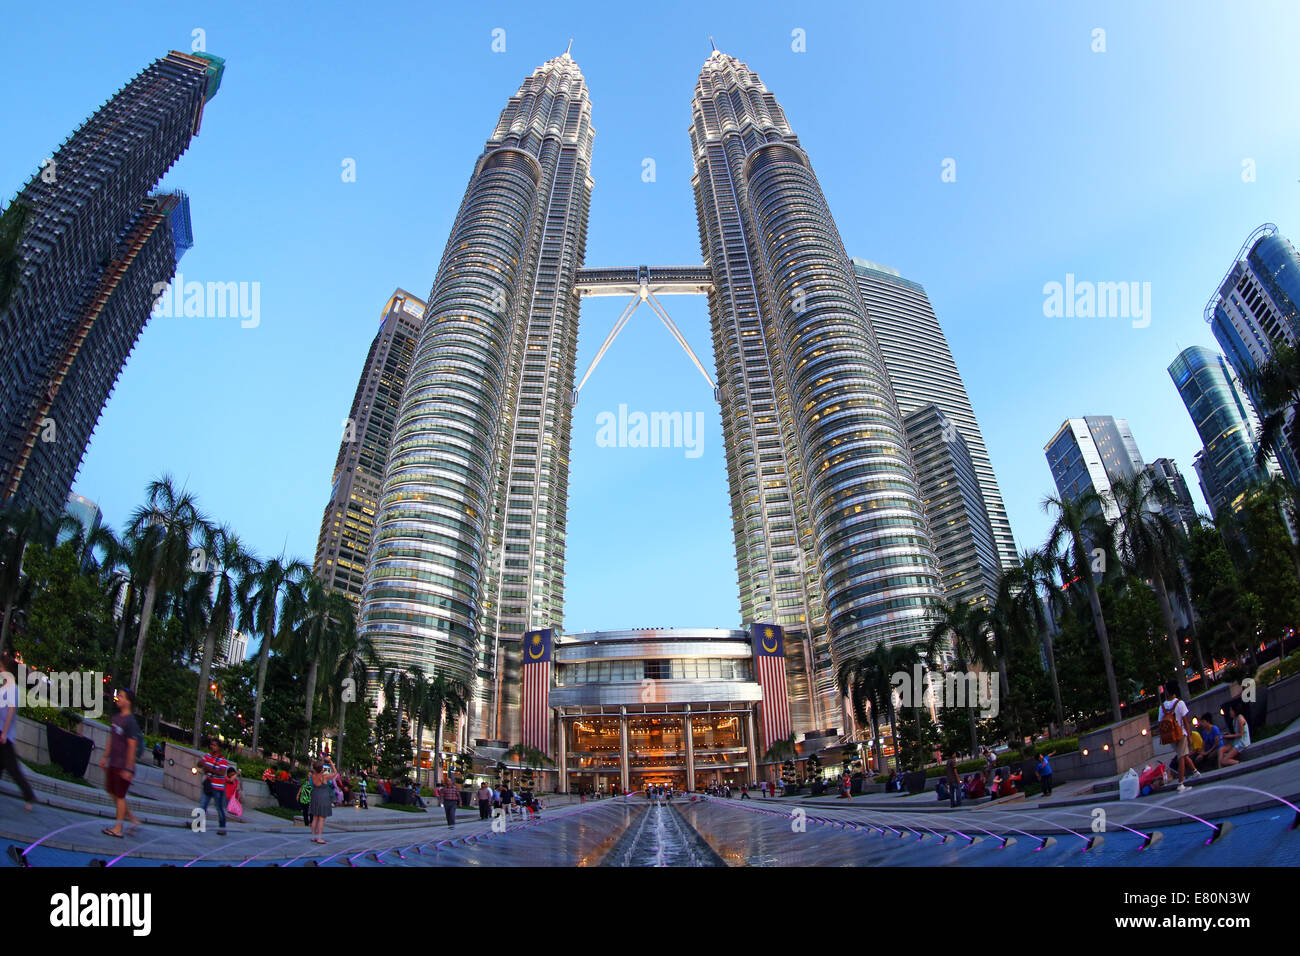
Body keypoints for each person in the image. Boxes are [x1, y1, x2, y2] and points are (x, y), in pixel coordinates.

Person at [99, 688, 143, 838]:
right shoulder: (116, 718)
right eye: (118, 695)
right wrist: (105, 757)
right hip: (114, 762)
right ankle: (131, 818)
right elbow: (112, 738)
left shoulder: (130, 722)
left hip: (123, 765)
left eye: (122, 696)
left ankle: (118, 828)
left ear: (128, 702)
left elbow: (132, 745)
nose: (118, 698)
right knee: (112, 792)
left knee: (119, 796)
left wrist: (129, 769)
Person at [0, 652, 35, 811]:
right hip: (2, 732)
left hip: (4, 735)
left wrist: (5, 733)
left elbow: (11, 711)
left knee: (13, 768)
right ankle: (28, 795)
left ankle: (29, 795)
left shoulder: (12, 688)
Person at [1157, 686, 1196, 791]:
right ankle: (1181, 784)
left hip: (1170, 736)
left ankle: (1196, 772)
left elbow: (1160, 723)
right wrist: (1189, 735)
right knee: (1182, 757)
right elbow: (1185, 720)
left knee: (1182, 754)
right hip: (1181, 733)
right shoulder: (1180, 703)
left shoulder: (1162, 707)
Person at [198, 737, 230, 836]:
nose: (212, 747)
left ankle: (222, 828)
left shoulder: (223, 760)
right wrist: (202, 764)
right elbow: (199, 763)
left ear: (219, 747)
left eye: (215, 745)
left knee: (219, 808)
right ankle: (198, 825)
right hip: (208, 785)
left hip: (217, 787)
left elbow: (221, 772)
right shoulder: (207, 756)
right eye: (211, 745)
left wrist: (207, 768)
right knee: (203, 806)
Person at [308, 759, 338, 844]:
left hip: (315, 795)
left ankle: (313, 837)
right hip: (323, 796)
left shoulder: (313, 776)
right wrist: (331, 762)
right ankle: (319, 838)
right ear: (321, 768)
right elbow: (335, 773)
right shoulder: (324, 776)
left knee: (314, 817)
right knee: (321, 818)